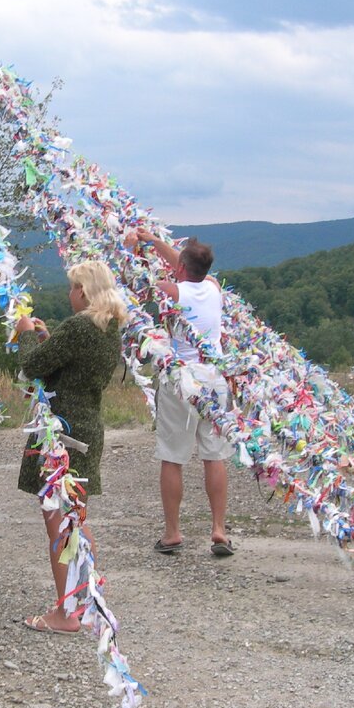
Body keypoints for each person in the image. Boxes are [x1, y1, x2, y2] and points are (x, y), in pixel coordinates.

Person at [15, 260, 126, 634]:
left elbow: (32, 366)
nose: (69, 294)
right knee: (74, 519)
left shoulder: (79, 326)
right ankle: (84, 594)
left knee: (59, 524)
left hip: (62, 432)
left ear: (83, 290)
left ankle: (66, 614)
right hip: (88, 426)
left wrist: (26, 333)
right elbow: (69, 367)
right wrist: (49, 338)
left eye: (72, 287)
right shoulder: (110, 327)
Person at [127, 228, 236, 557]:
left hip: (181, 381)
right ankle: (219, 529)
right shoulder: (214, 288)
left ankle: (173, 532)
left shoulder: (171, 291)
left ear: (181, 268)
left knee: (172, 457)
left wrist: (133, 250)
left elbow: (134, 287)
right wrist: (155, 240)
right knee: (214, 456)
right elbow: (188, 266)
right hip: (215, 380)